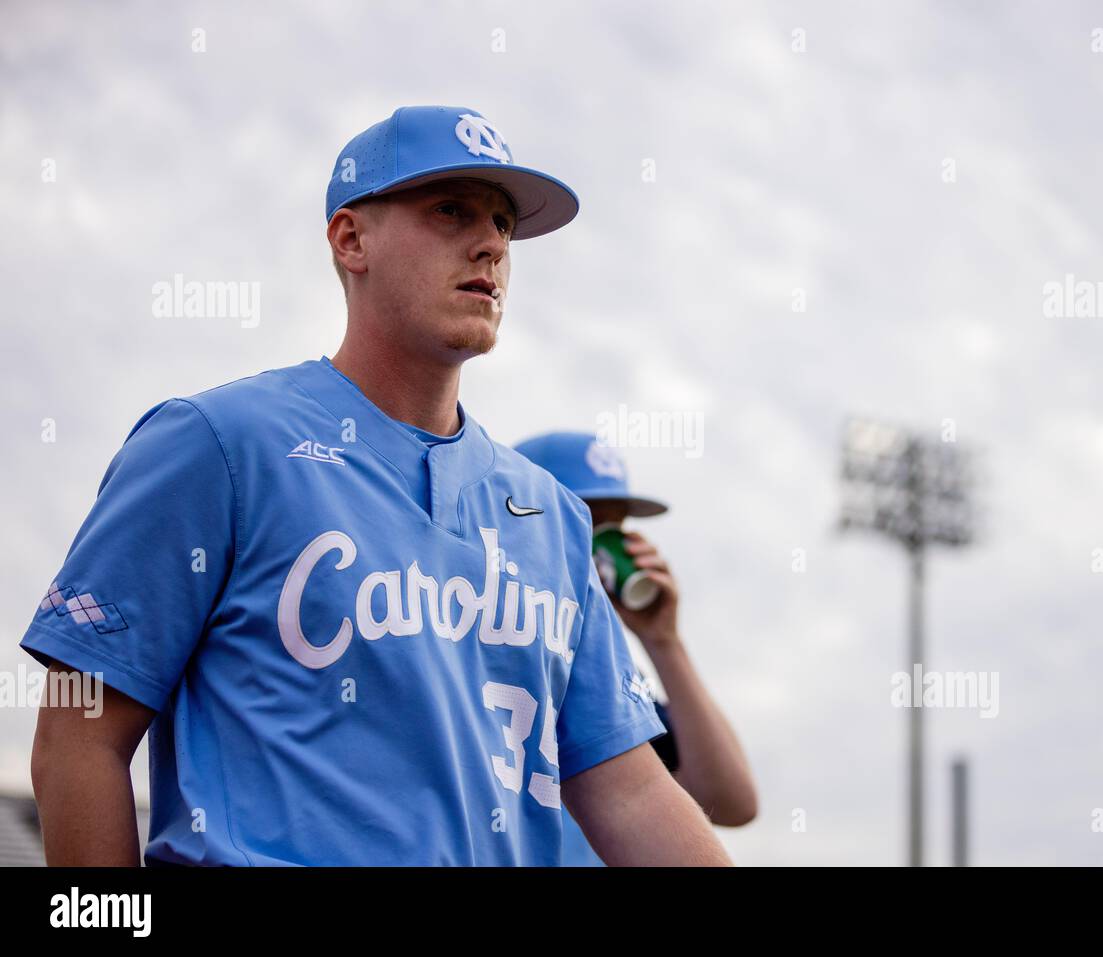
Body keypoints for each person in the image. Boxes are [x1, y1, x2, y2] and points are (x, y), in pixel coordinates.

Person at [21, 105, 731, 867]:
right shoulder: (218, 443)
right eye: (451, 210)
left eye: (500, 221)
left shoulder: (552, 516)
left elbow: (629, 791)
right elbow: (79, 732)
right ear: (351, 239)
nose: (491, 242)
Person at [514, 432, 757, 865]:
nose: (606, 547)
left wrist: (664, 641)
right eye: (586, 522)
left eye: (616, 528)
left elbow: (730, 801)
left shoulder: (607, 680)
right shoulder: (474, 632)